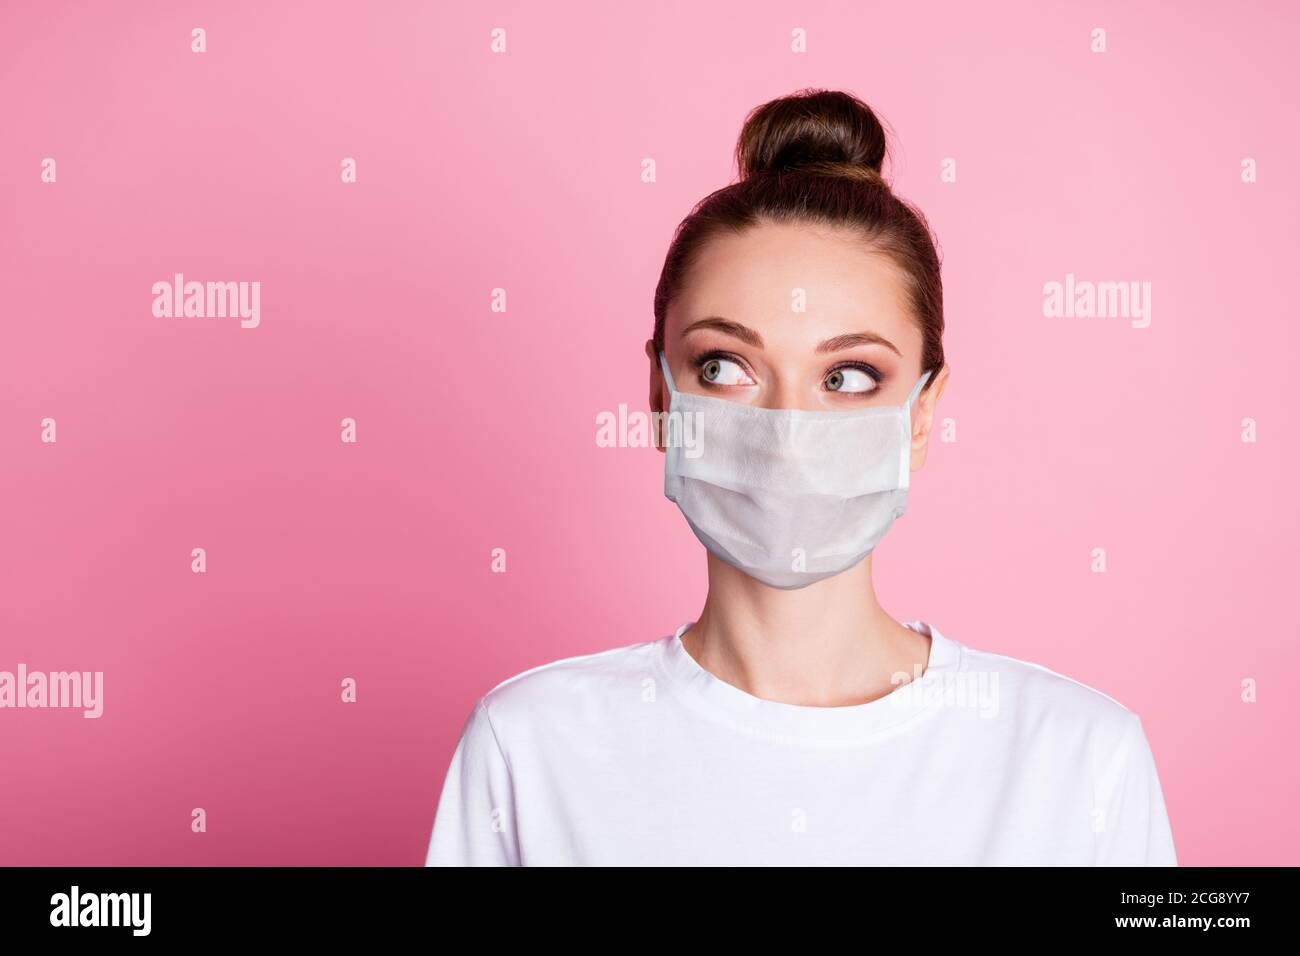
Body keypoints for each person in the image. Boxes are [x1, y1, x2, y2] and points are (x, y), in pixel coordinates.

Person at [425, 88, 1177, 866]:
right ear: (661, 398)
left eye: (848, 376)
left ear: (921, 415)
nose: (786, 434)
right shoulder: (530, 747)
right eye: (725, 367)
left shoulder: (1080, 760)